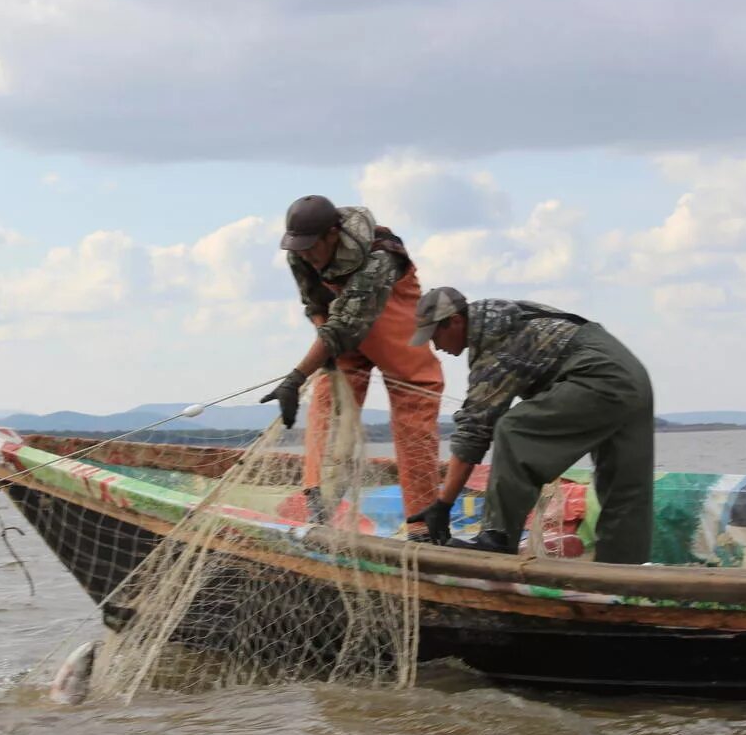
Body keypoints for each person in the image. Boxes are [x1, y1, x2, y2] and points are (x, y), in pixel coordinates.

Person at [405, 287, 654, 564]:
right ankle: (624, 577)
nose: (436, 347)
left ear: (455, 321)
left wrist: (443, 505)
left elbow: (474, 431)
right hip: (632, 374)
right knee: (624, 490)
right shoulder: (511, 315)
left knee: (513, 430)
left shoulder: (494, 342)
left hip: (600, 376)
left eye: (435, 336)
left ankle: (497, 538)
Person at [260, 195, 443, 535]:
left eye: (311, 247)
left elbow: (346, 325)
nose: (304, 255)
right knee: (331, 401)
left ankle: (423, 524)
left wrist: (297, 376)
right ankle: (320, 507)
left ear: (333, 233)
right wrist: (322, 342)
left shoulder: (378, 258)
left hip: (391, 312)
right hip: (339, 322)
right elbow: (316, 303)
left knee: (415, 397)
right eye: (297, 248)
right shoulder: (300, 253)